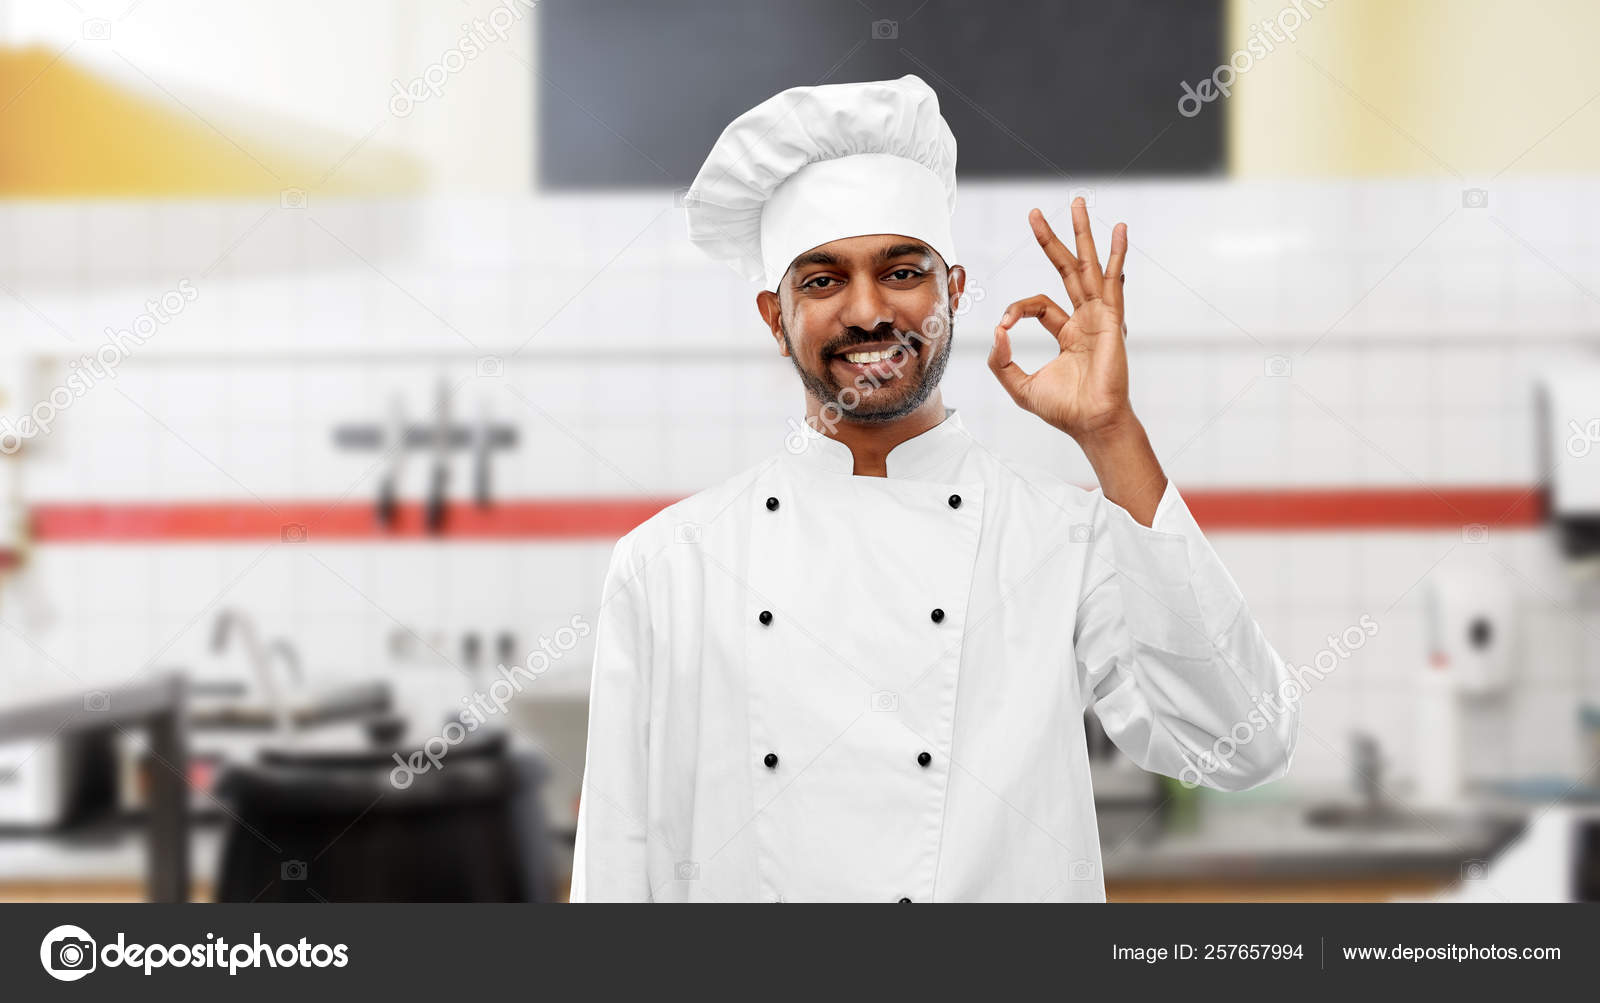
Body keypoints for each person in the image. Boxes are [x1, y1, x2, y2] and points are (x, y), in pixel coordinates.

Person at [571, 75, 1297, 902]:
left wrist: (1110, 434)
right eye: (822, 280)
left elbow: (1248, 743)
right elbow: (615, 867)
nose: (868, 310)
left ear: (952, 293)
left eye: (902, 271)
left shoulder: (1062, 536)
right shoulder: (670, 564)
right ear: (774, 318)